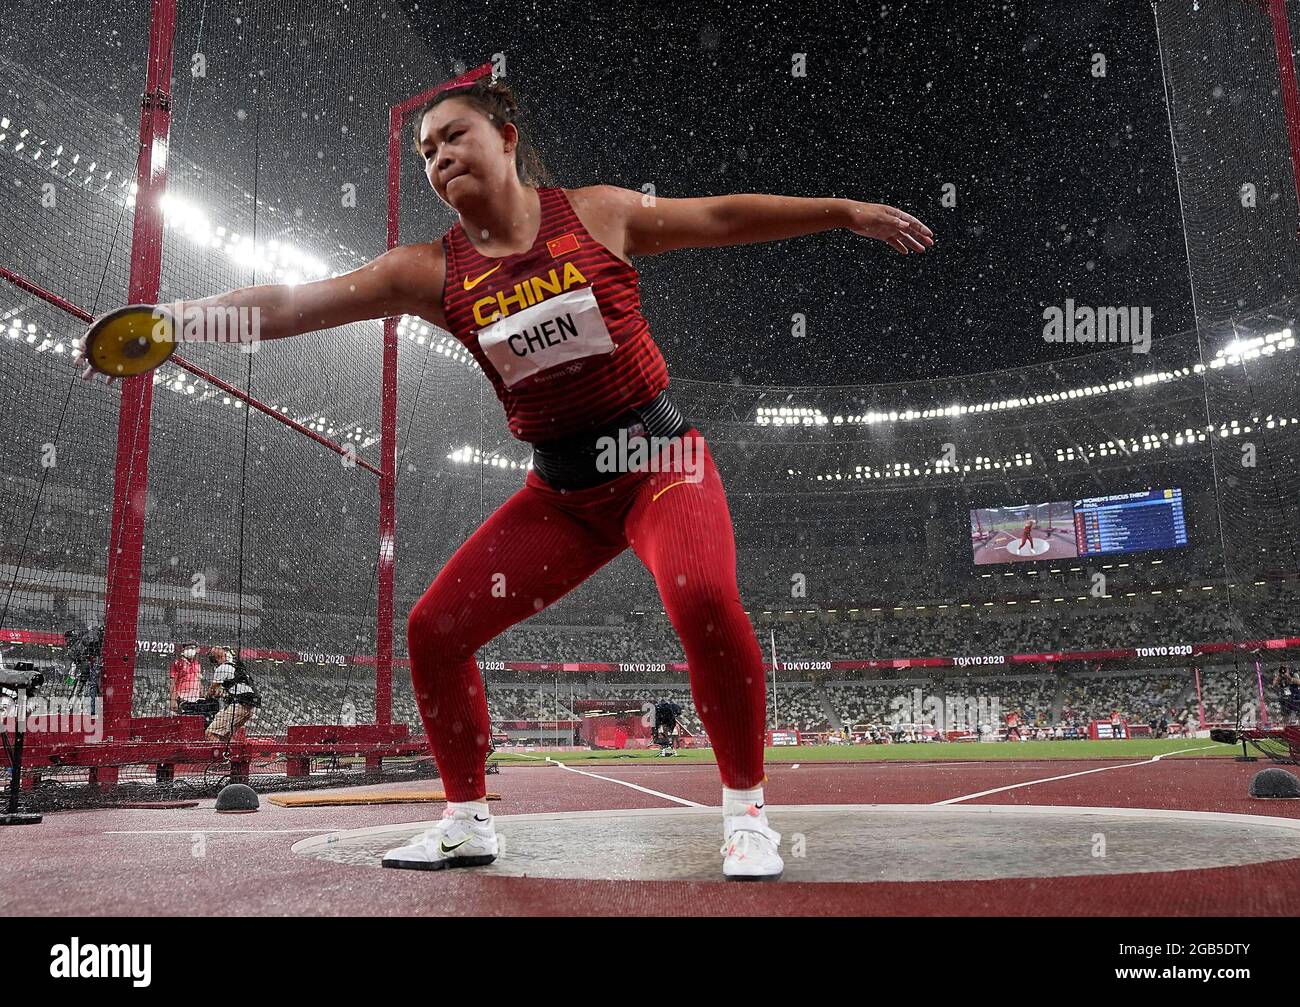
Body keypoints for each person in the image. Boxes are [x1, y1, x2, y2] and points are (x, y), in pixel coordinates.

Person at [107, 70, 931, 880]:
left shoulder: (599, 212)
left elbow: (718, 216)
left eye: (453, 136)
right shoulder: (427, 270)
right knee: (433, 631)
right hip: (562, 497)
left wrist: (843, 213)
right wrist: (180, 319)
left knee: (704, 598)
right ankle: (466, 822)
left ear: (506, 140)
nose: (438, 159)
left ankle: (747, 814)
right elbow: (297, 303)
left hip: (658, 465)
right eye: (426, 152)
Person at [204, 646, 261, 744]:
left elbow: (212, 690)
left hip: (238, 705)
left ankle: (223, 758)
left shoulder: (222, 668)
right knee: (226, 736)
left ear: (215, 658)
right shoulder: (234, 666)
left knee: (210, 733)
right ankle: (233, 757)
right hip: (249, 707)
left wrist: (206, 696)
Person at [168, 639, 205, 715]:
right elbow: (172, 683)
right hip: (182, 699)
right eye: (187, 648)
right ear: (183, 650)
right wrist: (173, 700)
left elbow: (198, 680)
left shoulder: (197, 664)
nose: (190, 650)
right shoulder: (177, 663)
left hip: (196, 700)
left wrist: (202, 692)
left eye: (192, 648)